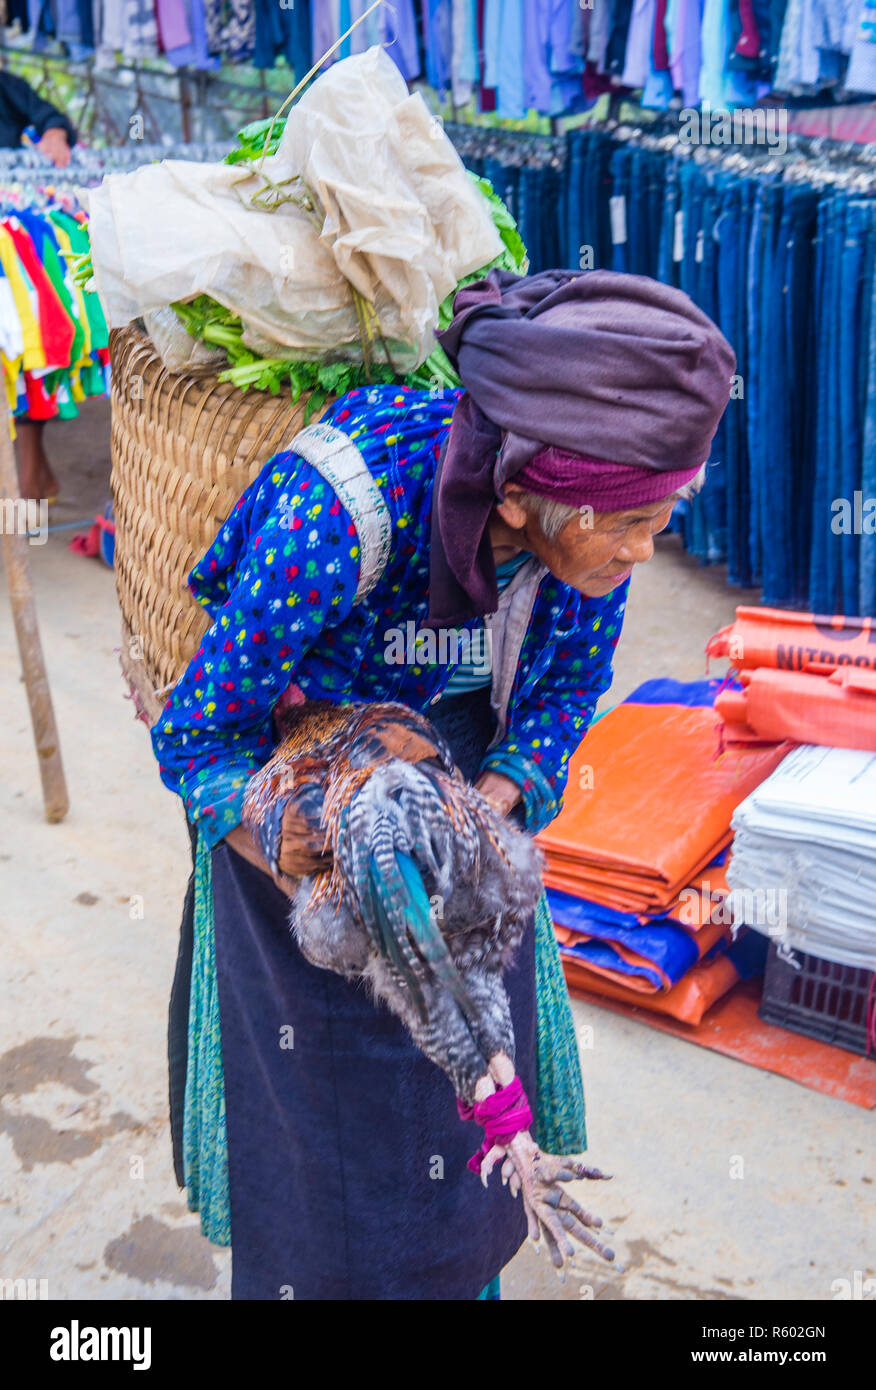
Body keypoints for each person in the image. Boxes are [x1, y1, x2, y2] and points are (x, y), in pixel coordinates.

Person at [151, 268, 736, 1299]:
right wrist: (321, 850)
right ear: (516, 492)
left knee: (470, 1154)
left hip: (452, 828)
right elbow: (196, 735)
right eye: (629, 525)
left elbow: (558, 703)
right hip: (294, 850)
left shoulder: (585, 557)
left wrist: (483, 815)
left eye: (661, 519)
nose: (646, 551)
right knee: (328, 1194)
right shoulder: (333, 517)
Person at [0, 72, 77, 502]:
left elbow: (50, 116)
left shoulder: (5, 87)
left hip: (10, 222)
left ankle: (30, 476)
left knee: (21, 342)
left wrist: (53, 133)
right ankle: (37, 476)